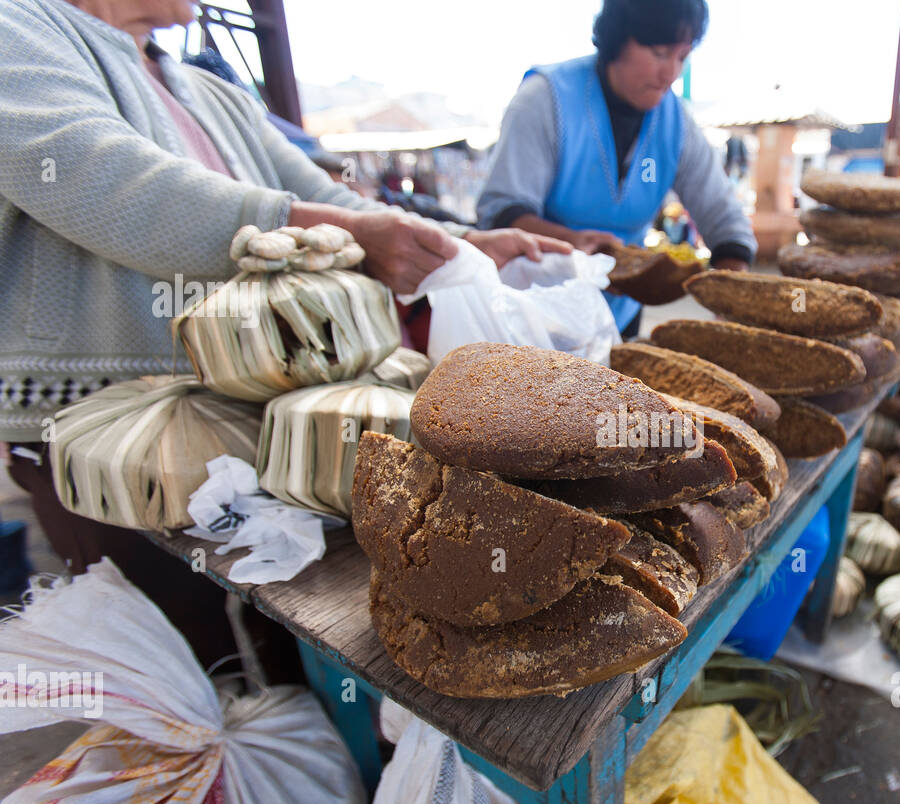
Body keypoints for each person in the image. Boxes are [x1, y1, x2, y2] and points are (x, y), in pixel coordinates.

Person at [0, 0, 567, 678]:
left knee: (282, 632)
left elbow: (322, 193)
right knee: (183, 649)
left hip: (242, 416)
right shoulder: (19, 29)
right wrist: (327, 232)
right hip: (110, 429)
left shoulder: (205, 89)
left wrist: (457, 248)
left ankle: (300, 761)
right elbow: (96, 174)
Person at [476, 0, 758, 336]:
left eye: (682, 57)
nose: (671, 73)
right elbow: (503, 210)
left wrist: (730, 304)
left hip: (620, 317)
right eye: (659, 52)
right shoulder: (545, 100)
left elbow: (724, 219)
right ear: (618, 39)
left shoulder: (676, 123)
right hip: (536, 312)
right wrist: (571, 241)